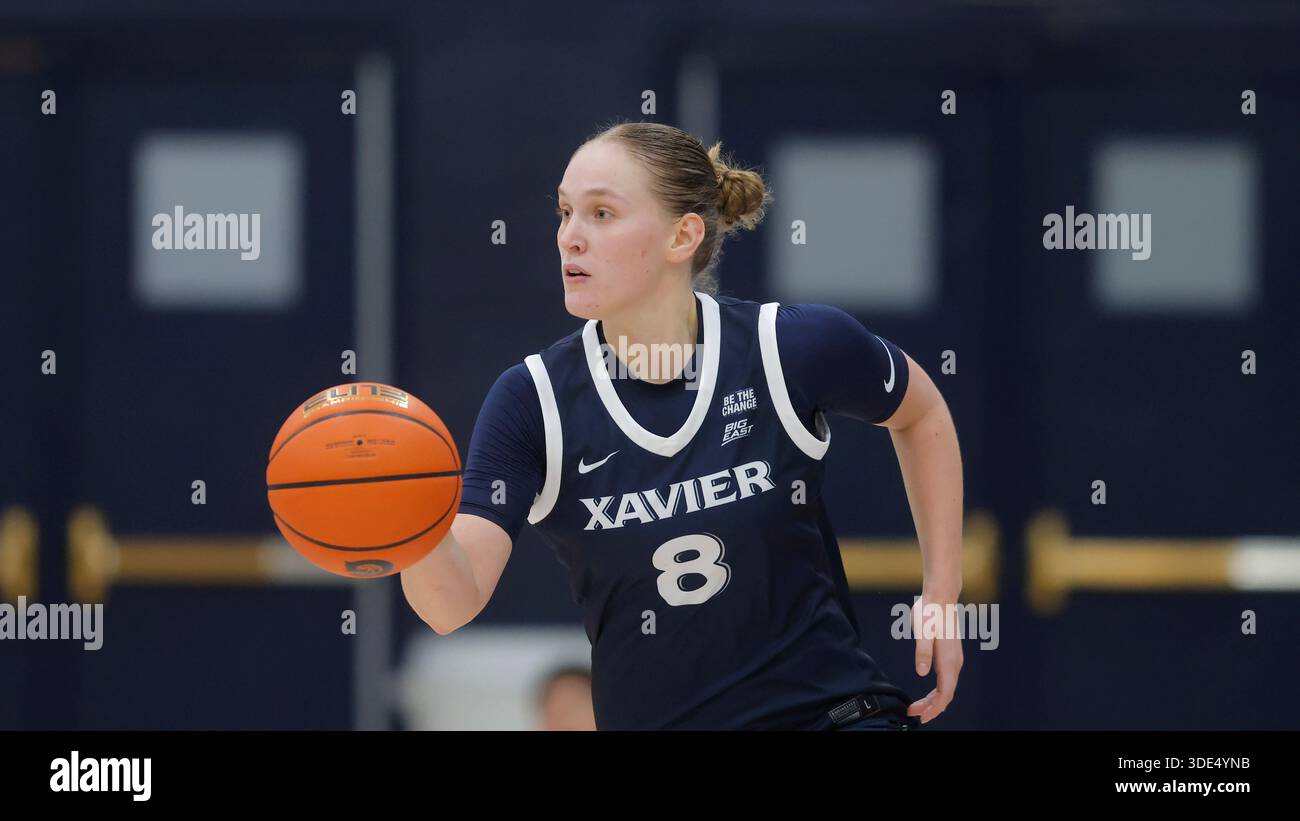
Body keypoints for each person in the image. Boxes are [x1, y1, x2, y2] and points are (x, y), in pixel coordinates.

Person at [402, 121, 964, 730]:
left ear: (682, 236)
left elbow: (923, 412)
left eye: (601, 214)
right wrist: (402, 520)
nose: (571, 237)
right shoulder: (531, 401)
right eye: (565, 213)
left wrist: (941, 594)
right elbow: (450, 605)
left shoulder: (789, 346)